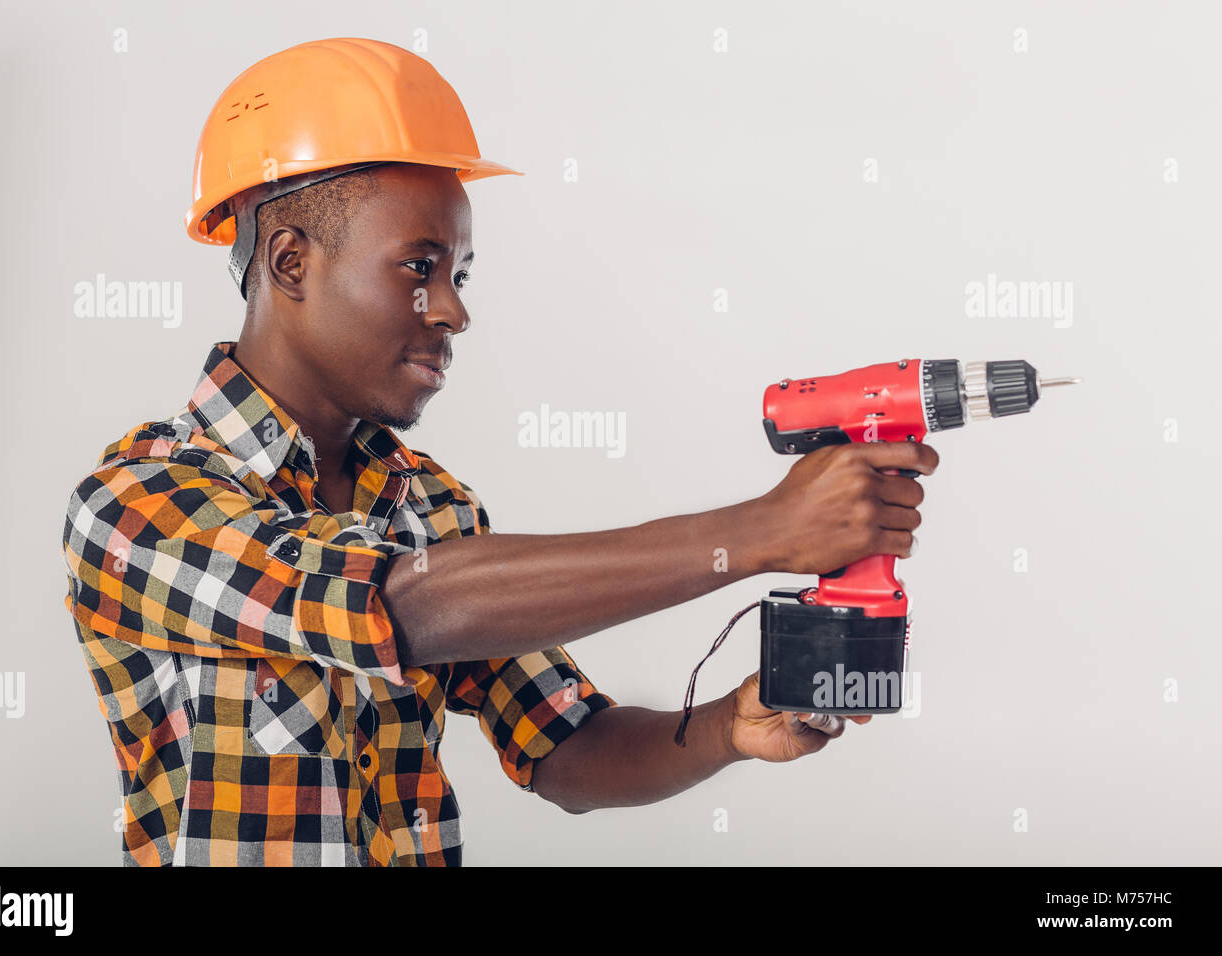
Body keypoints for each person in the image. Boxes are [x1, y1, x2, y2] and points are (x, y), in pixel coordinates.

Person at [60, 37, 937, 867]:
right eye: (419, 268)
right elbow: (399, 608)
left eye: (461, 275)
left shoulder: (430, 508)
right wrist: (764, 531)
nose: (453, 310)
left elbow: (566, 747)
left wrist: (726, 727)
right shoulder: (138, 503)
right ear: (291, 261)